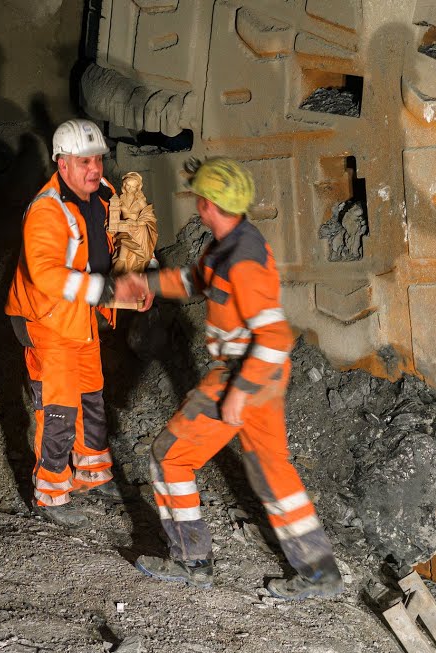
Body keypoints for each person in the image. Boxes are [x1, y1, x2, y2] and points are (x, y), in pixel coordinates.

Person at [126, 157, 344, 600]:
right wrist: (147, 284)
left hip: (245, 373)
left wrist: (239, 392)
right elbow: (193, 281)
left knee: (170, 456)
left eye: (198, 199)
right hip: (260, 375)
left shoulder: (242, 259)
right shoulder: (231, 242)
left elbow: (275, 334)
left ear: (207, 204)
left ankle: (191, 561)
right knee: (271, 470)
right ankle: (320, 572)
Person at [4, 119, 147, 526]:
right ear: (61, 164)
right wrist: (105, 292)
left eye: (98, 158)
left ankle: (92, 471)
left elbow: (121, 242)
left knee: (91, 390)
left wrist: (141, 268)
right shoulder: (46, 210)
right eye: (84, 161)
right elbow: (46, 275)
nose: (94, 168)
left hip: (77, 315)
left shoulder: (104, 195)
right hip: (44, 317)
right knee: (60, 403)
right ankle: (51, 493)